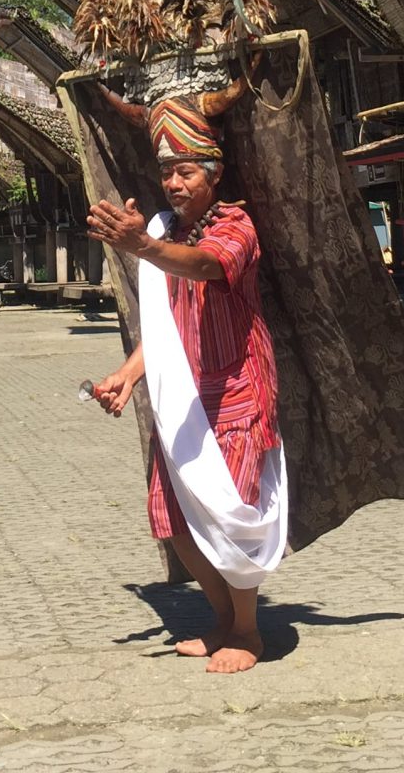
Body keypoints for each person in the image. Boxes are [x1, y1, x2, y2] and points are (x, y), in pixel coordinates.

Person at [85, 95, 280, 676]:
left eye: (186, 171)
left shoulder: (236, 225)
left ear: (214, 174)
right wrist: (127, 373)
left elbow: (201, 267)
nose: (172, 182)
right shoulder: (165, 228)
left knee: (230, 512)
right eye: (166, 171)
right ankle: (221, 618)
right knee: (173, 517)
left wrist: (142, 245)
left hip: (237, 387)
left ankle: (248, 631)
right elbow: (170, 320)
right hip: (182, 394)